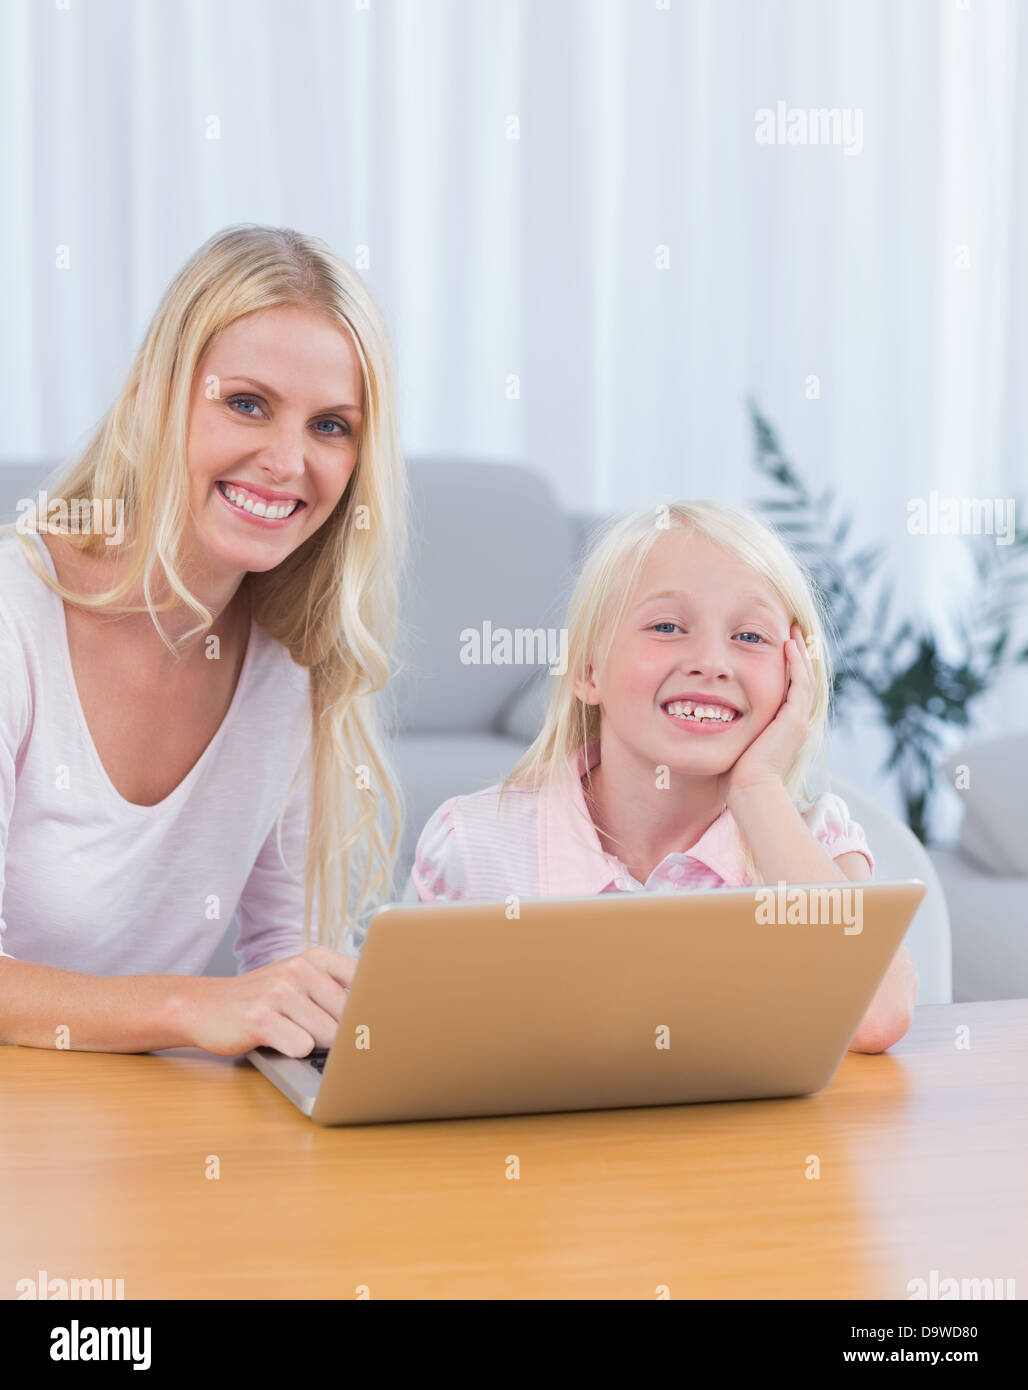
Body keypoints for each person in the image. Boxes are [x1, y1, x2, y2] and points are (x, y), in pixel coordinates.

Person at [0, 224, 408, 1058]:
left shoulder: (289, 661)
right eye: (246, 404)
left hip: (146, 1136)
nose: (287, 460)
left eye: (331, 426)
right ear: (158, 395)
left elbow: (282, 957)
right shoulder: (15, 615)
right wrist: (192, 1008)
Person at [409, 501, 918, 1054]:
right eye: (667, 626)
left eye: (751, 637)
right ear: (587, 670)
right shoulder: (476, 841)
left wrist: (757, 791)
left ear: (795, 679)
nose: (711, 662)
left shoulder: (810, 837)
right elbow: (409, 1042)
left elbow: (876, 1019)